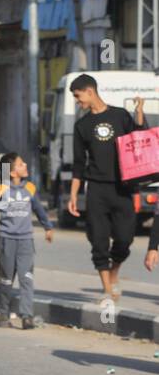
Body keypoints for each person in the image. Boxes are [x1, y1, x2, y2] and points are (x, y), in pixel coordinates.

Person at [67, 74, 148, 303]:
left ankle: (114, 273)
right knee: (99, 241)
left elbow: (138, 138)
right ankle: (106, 291)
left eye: (77, 95)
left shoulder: (120, 116)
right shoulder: (81, 126)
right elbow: (78, 164)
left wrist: (139, 111)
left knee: (124, 240)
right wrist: (73, 195)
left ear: (90, 91)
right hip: (97, 190)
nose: (77, 100)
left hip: (122, 188)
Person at [0, 151, 54, 329]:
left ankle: (27, 316)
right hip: (7, 241)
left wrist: (47, 227)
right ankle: (4, 314)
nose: (25, 166)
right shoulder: (1, 190)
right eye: (21, 164)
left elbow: (38, 209)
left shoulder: (30, 188)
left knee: (27, 278)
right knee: (6, 280)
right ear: (12, 172)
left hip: (25, 241)